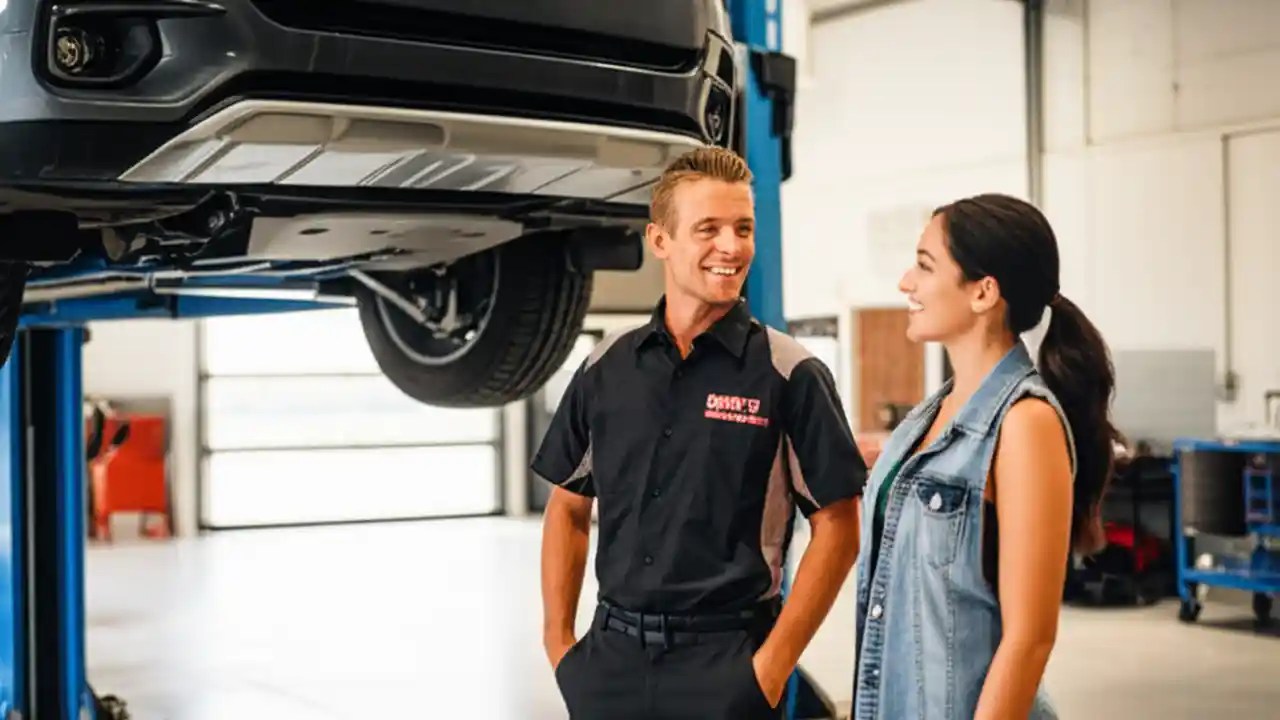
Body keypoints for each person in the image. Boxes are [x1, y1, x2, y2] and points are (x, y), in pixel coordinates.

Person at [535, 146, 866, 720]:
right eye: (708, 228)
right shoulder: (605, 368)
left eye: (743, 228)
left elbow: (838, 527)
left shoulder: (790, 373)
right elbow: (566, 508)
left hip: (728, 663)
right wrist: (560, 645)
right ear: (659, 240)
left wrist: (770, 669)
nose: (732, 247)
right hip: (608, 661)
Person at [851, 193, 1118, 719]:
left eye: (925, 266)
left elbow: (1030, 639)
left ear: (983, 293)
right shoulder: (928, 417)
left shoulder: (1025, 424)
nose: (906, 282)